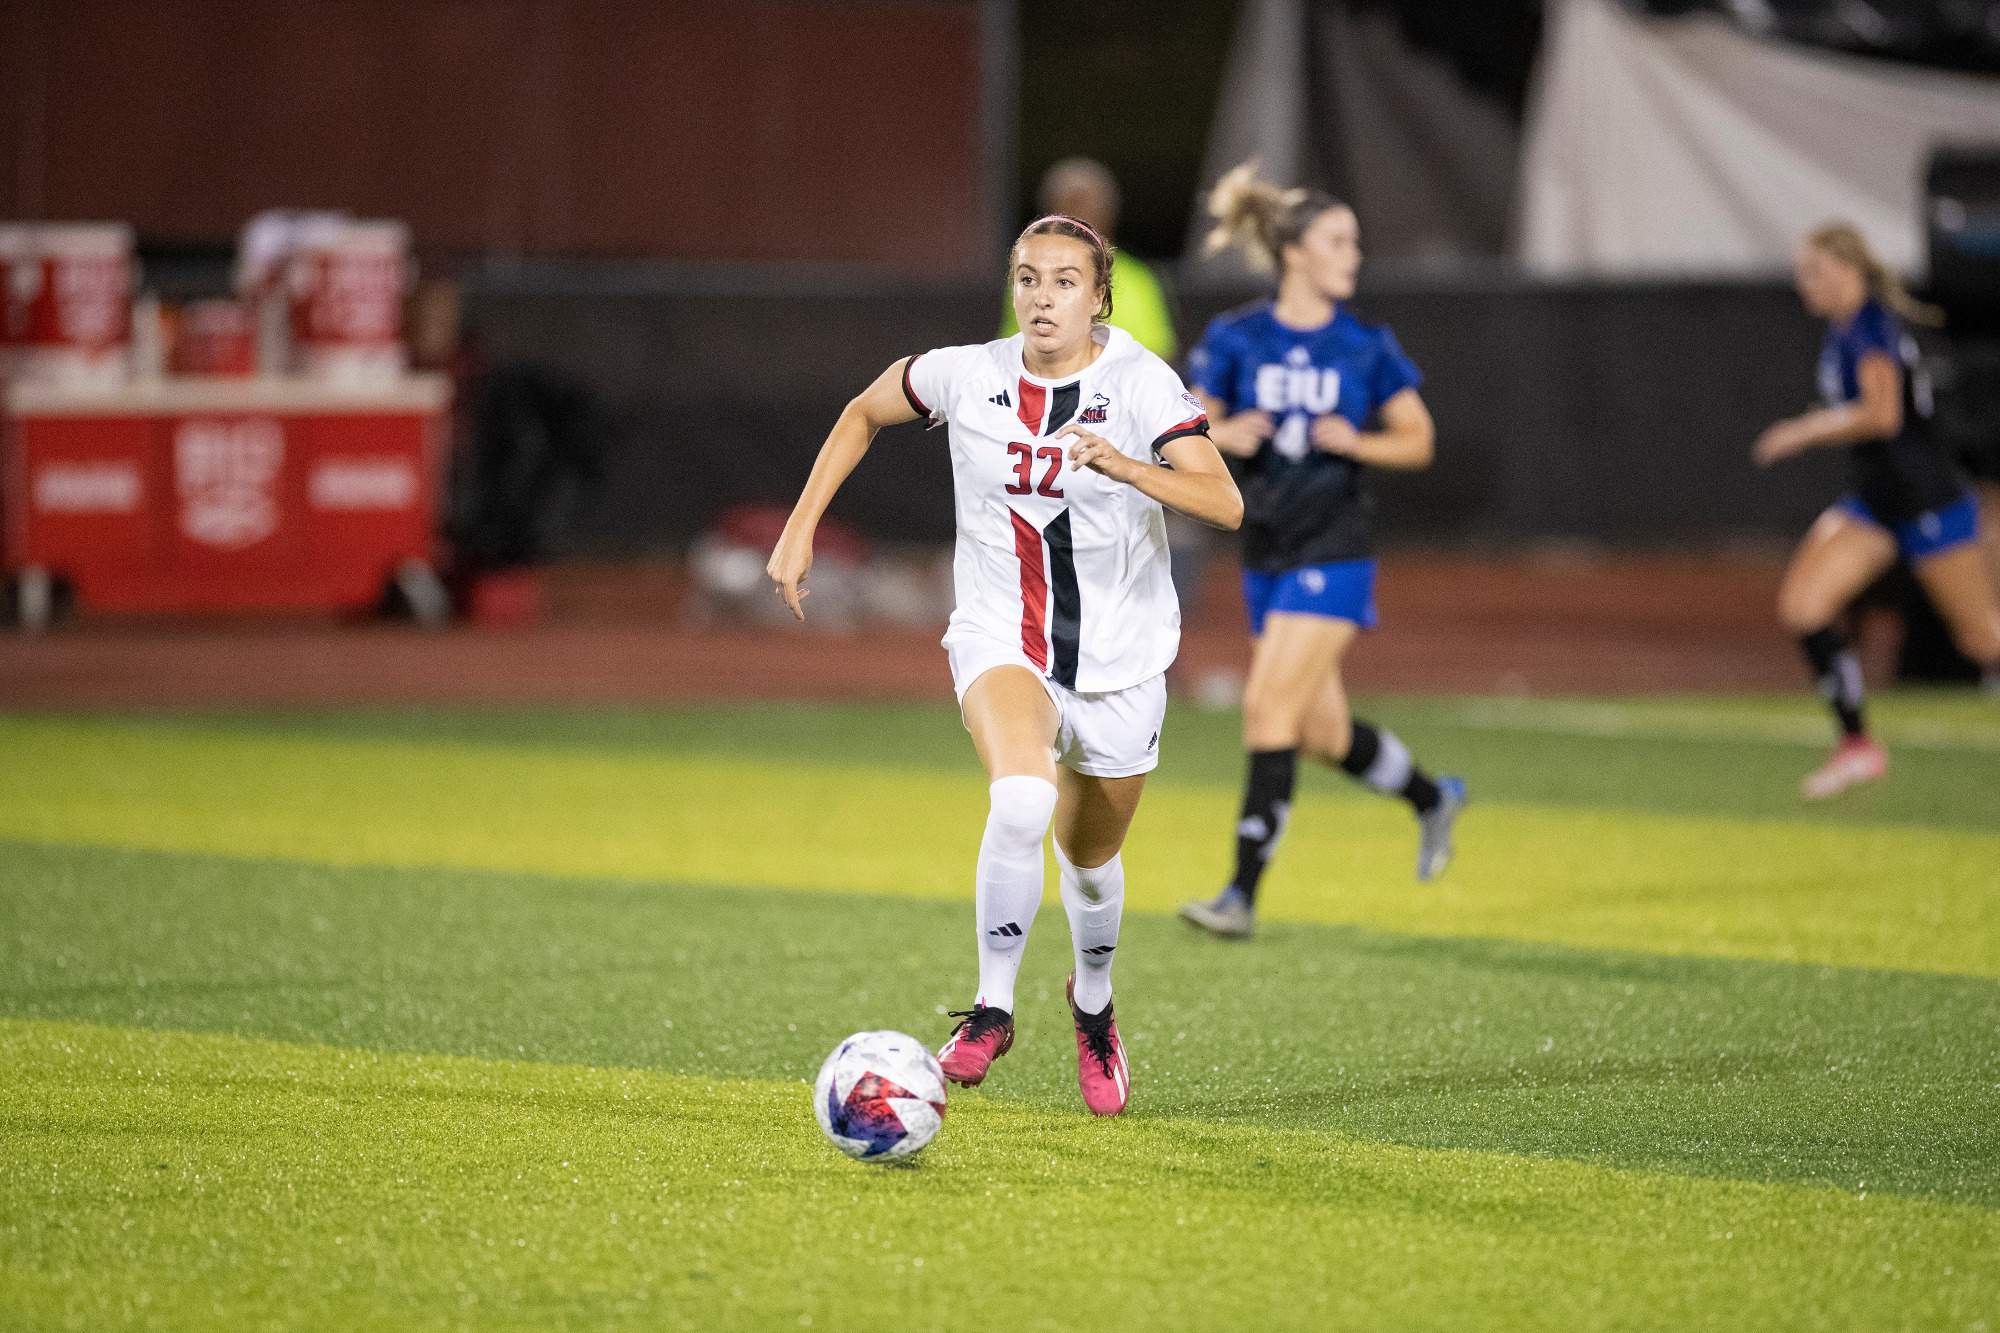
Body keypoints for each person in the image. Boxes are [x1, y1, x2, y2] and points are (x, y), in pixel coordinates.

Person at [767, 216, 1241, 1116]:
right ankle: (990, 1007)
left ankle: (1092, 1007)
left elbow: (1223, 499)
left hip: (1121, 661)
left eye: (1065, 281)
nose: (1042, 297)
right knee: (1021, 797)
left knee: (1092, 866)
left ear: (1099, 296)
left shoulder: (1139, 383)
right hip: (1001, 637)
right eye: (1028, 278)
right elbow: (864, 409)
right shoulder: (968, 374)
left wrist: (1129, 467)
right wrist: (799, 531)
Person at [1175, 162, 1466, 942]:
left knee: (1266, 708)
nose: (1354, 255)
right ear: (1295, 253)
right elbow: (1187, 427)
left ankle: (1238, 896)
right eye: (1339, 241)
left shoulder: (1365, 345)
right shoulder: (1238, 336)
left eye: (1355, 242)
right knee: (1321, 733)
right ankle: (1433, 797)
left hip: (1336, 550)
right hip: (1266, 550)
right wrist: (1219, 433)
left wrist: (1362, 439)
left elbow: (1420, 439)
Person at [1755, 223, 2000, 796]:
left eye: (1816, 270)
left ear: (1850, 271)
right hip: (1878, 505)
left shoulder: (1867, 327)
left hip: (1928, 501)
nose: (1805, 283)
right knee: (1804, 605)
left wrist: (1808, 427)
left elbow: (1883, 415)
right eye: (1801, 271)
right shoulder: (1844, 329)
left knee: (1983, 641)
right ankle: (1857, 746)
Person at [1000, 158, 1177, 360]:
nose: (1076, 225)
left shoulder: (1138, 279)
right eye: (1065, 214)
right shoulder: (1029, 276)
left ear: (1108, 216)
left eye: (1085, 210)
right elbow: (1013, 353)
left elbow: (1158, 359)